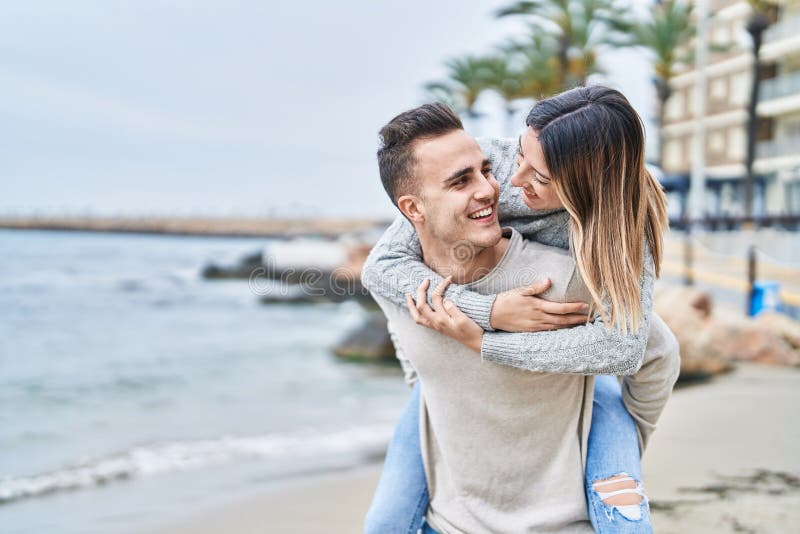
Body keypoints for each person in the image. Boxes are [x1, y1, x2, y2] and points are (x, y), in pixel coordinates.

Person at [362, 88, 680, 534]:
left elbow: (633, 347)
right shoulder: (494, 165)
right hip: (456, 385)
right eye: (519, 154)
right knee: (383, 523)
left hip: (587, 375)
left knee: (626, 523)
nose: (507, 181)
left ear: (584, 183)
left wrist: (489, 344)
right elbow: (382, 268)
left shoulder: (620, 232)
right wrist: (487, 313)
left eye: (539, 176)